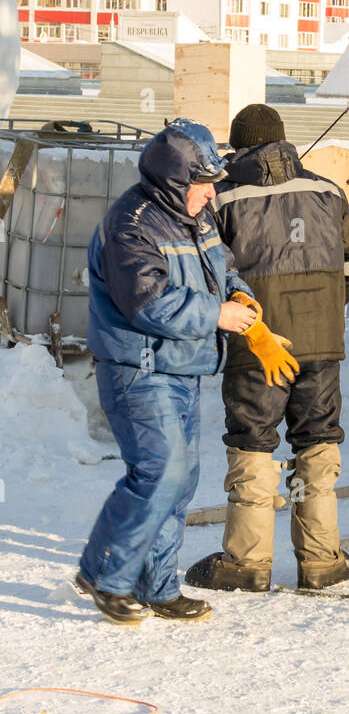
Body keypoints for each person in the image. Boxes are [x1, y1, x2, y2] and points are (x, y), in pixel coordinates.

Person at [76, 119, 267, 626]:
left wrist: (238, 292)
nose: (210, 196)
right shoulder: (131, 224)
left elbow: (221, 268)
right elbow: (147, 303)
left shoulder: (193, 217)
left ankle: (154, 585)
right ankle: (113, 582)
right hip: (138, 368)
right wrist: (216, 316)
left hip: (182, 367)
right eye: (202, 185)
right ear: (175, 182)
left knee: (180, 481)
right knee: (160, 474)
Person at [186, 105, 349, 596]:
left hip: (258, 344)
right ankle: (321, 561)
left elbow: (208, 275)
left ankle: (247, 563)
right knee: (317, 441)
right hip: (322, 344)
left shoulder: (221, 198)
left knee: (252, 441)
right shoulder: (329, 191)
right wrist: (324, 311)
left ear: (239, 147)